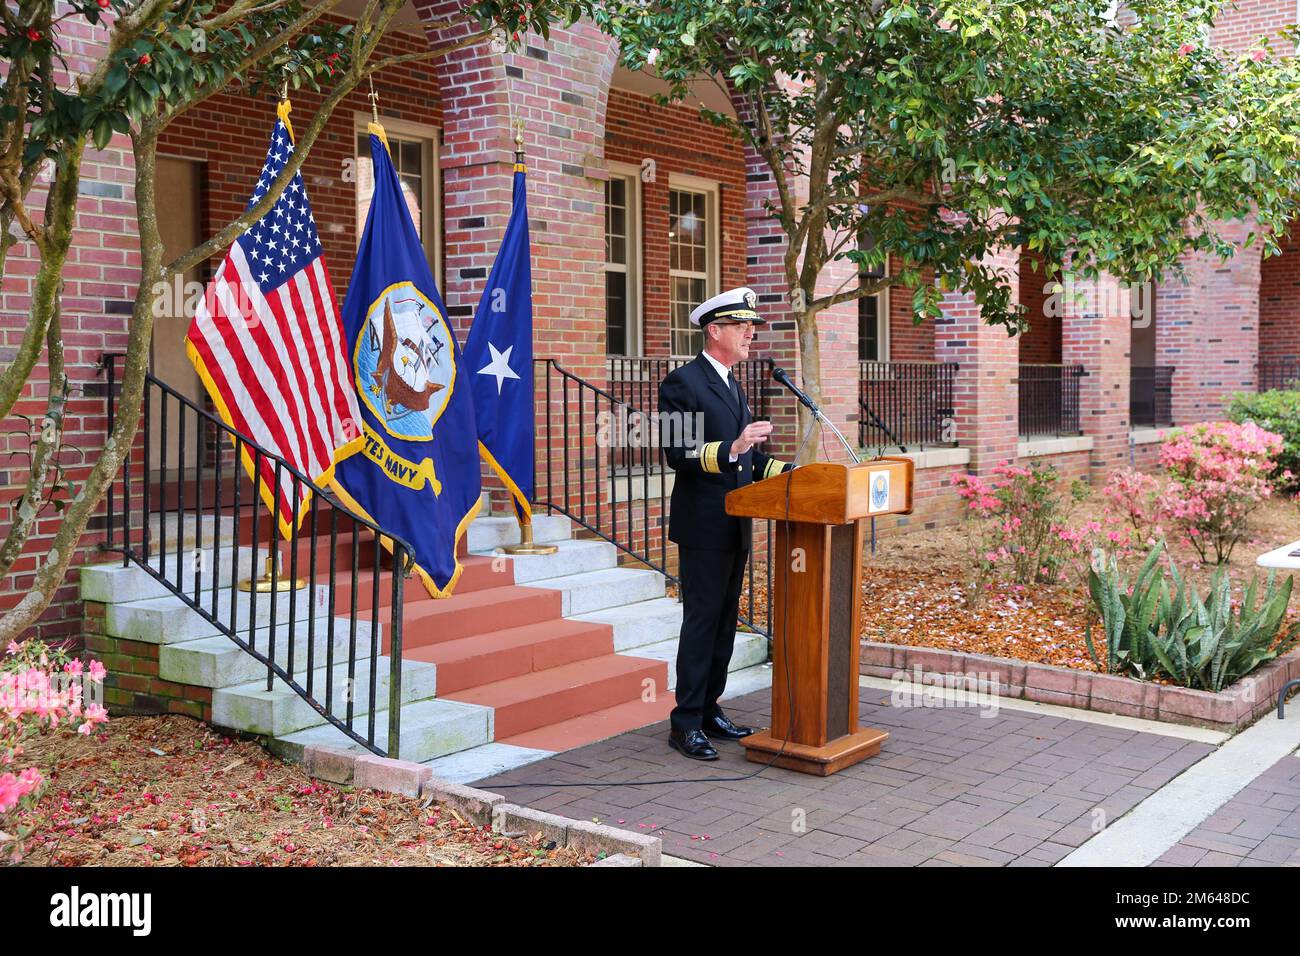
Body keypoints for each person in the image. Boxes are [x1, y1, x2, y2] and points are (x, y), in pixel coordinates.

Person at [658, 287, 792, 761]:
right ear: (714, 331)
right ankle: (685, 721)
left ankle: (711, 707)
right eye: (741, 326)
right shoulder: (683, 382)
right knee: (700, 622)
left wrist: (793, 475)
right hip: (702, 526)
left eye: (750, 326)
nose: (750, 333)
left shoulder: (732, 383)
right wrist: (734, 448)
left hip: (735, 524)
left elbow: (747, 461)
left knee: (723, 625)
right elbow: (677, 454)